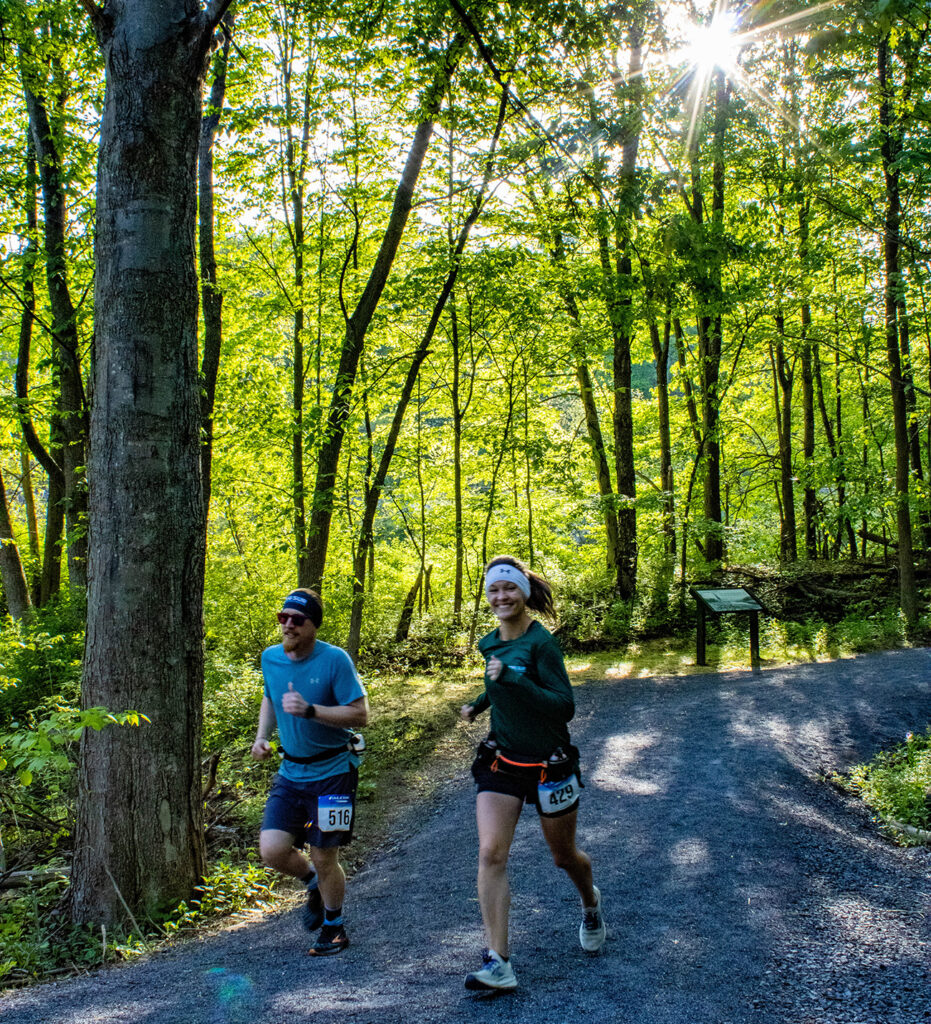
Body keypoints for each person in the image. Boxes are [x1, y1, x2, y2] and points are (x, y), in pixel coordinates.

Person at [460, 556, 606, 991]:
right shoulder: (489, 644)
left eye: (509, 589)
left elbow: (564, 706)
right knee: (491, 853)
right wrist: (478, 704)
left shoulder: (542, 643)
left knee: (564, 857)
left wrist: (515, 679)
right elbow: (496, 682)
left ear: (523, 593)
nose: (501, 597)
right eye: (493, 590)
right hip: (503, 761)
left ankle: (590, 903)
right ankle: (498, 962)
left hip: (549, 766)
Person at [251, 587, 369, 956]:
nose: (287, 624)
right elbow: (270, 696)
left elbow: (361, 714)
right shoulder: (270, 658)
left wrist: (312, 711)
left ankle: (334, 927)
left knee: (324, 854)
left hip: (334, 770)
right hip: (291, 770)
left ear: (312, 625)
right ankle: (313, 883)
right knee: (272, 850)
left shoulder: (334, 660)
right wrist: (261, 738)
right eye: (282, 617)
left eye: (296, 619)